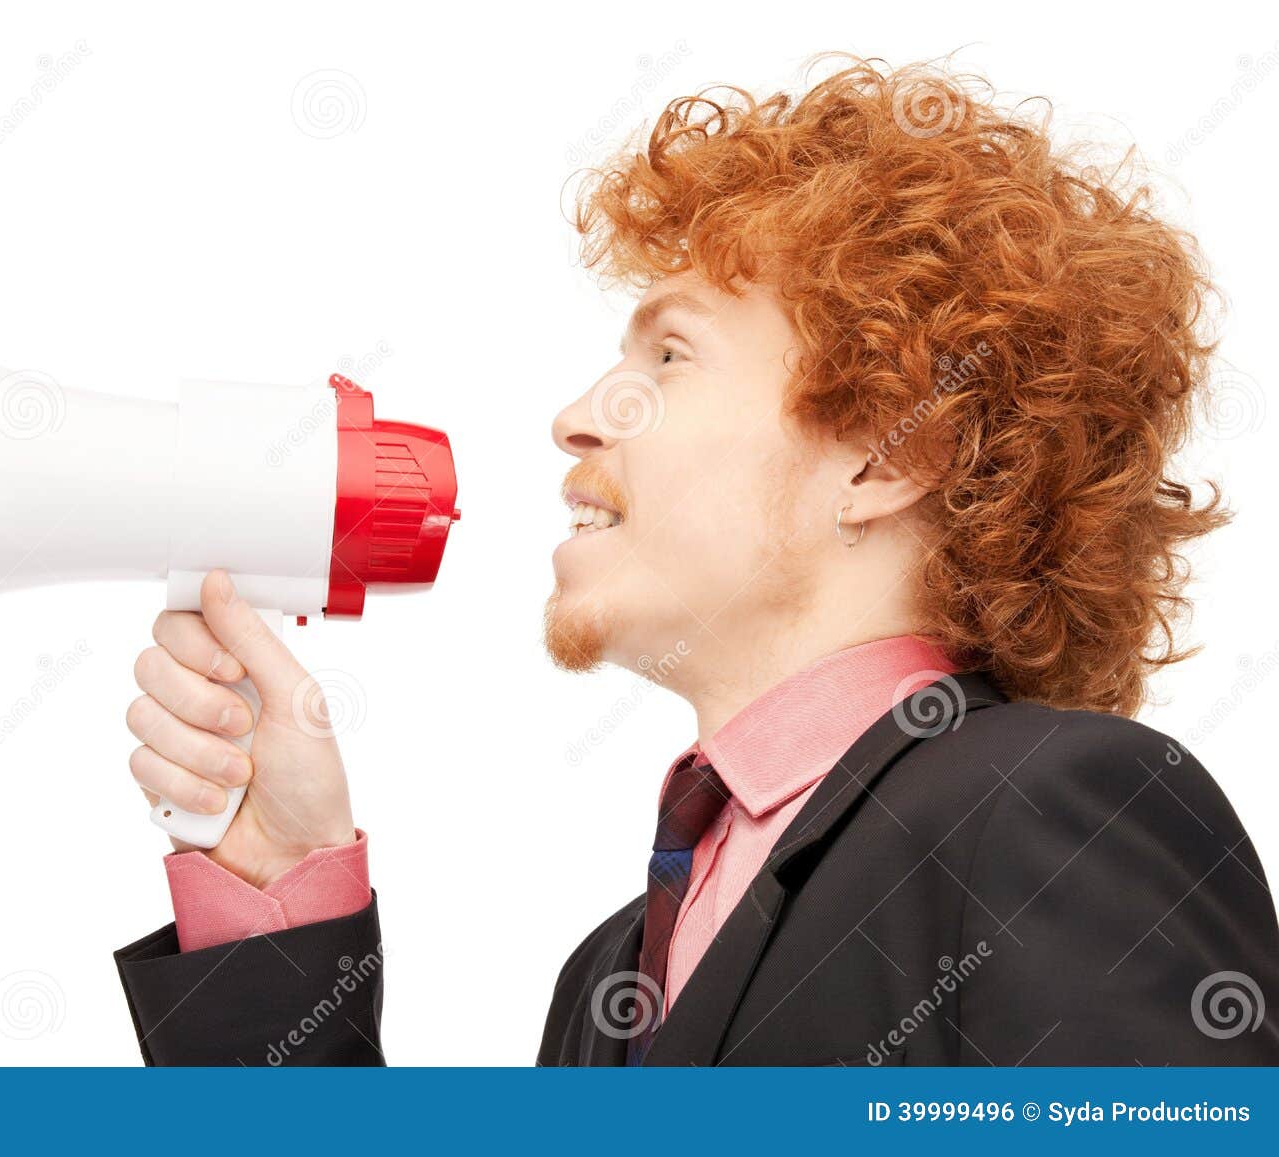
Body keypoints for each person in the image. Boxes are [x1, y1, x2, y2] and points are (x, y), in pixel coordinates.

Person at [112, 59, 1279, 1066]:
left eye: (669, 354)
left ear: (887, 453)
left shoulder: (1052, 807)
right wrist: (283, 895)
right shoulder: (608, 977)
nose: (574, 416)